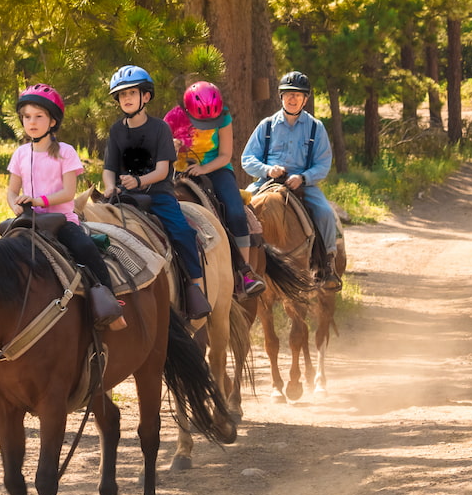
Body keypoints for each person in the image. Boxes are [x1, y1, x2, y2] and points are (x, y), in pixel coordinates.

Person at [6, 84, 126, 330]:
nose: (32, 122)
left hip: (61, 221)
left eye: (39, 116)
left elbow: (69, 193)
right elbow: (11, 190)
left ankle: (110, 304)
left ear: (52, 121)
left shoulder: (65, 152)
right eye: (27, 116)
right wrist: (15, 205)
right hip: (29, 222)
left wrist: (38, 200)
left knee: (85, 249)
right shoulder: (19, 154)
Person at [101, 65, 211, 320]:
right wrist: (109, 186)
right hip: (123, 196)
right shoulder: (116, 130)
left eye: (132, 93)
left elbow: (163, 170)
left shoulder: (160, 128)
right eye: (121, 95)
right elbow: (109, 168)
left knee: (182, 231)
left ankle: (195, 286)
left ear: (146, 97)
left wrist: (139, 182)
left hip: (158, 194)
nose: (126, 98)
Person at [241, 70, 341, 291]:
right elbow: (247, 159)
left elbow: (323, 163)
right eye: (287, 94)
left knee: (324, 212)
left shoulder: (316, 127)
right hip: (266, 182)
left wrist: (303, 177)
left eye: (297, 95)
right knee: (241, 209)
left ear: (305, 99)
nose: (292, 99)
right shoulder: (266, 125)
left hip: (302, 185)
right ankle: (240, 266)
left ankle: (327, 265)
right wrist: (267, 169)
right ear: (281, 97)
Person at [170, 81, 265, 297]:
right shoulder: (174, 118)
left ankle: (244, 274)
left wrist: (203, 168)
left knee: (235, 212)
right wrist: (171, 148)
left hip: (215, 168)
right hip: (179, 169)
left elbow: (225, 155)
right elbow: (160, 155)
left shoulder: (224, 117)